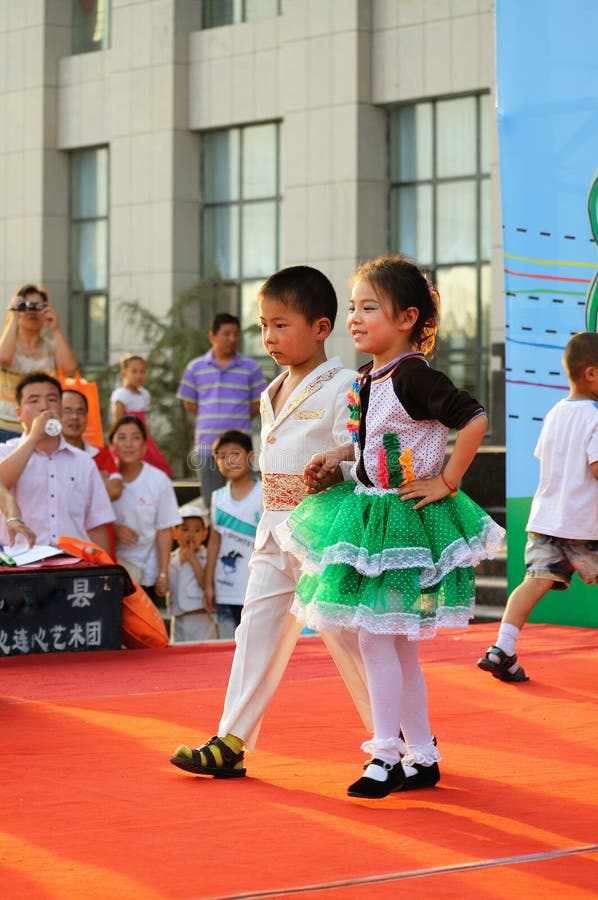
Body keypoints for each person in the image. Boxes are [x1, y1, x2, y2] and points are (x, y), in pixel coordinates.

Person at [278, 254, 505, 799]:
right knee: (393, 643)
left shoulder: (414, 374)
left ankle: (385, 755)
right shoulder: (368, 376)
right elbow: (369, 440)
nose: (354, 317)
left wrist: (448, 480)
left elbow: (473, 417)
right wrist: (337, 457)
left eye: (368, 307)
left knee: (377, 639)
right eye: (352, 307)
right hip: (368, 508)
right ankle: (421, 753)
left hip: (400, 520)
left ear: (406, 318)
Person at [170, 265, 373, 779]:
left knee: (346, 640)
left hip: (325, 532)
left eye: (281, 324)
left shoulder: (347, 384)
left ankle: (400, 737)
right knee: (253, 632)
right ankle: (231, 741)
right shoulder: (272, 389)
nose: (269, 337)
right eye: (264, 325)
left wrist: (339, 466)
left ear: (322, 327)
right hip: (273, 527)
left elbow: (366, 454)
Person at [478, 331, 598, 683]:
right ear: (591, 374)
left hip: (546, 521)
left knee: (534, 582)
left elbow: (547, 459)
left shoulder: (556, 413)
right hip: (585, 525)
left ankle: (501, 647)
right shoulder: (595, 416)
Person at [0, 373, 114, 555]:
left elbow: (96, 523)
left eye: (52, 400)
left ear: (60, 409)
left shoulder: (84, 462)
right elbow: (2, 482)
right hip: (22, 564)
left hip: (74, 563)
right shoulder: (5, 452)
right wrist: (34, 437)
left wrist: (107, 573)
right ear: (19, 413)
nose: (44, 407)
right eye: (34, 400)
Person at [177, 313, 268, 506]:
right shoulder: (195, 368)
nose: (232, 339)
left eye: (236, 334)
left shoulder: (250, 368)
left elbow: (258, 403)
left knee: (248, 500)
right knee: (213, 504)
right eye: (226, 334)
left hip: (240, 448)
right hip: (206, 446)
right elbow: (189, 404)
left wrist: (235, 421)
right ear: (212, 336)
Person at [110, 415, 181, 606]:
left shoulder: (159, 480)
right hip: (111, 571)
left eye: (135, 437)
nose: (128, 444)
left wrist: (163, 573)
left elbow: (164, 530)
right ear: (112, 444)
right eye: (121, 437)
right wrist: (115, 530)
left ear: (144, 445)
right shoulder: (103, 478)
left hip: (146, 573)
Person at [205, 430, 263, 639]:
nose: (228, 461)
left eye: (234, 454)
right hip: (225, 589)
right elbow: (214, 542)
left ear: (250, 457)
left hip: (257, 588)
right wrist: (208, 583)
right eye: (221, 456)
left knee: (255, 645)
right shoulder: (217, 498)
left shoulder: (264, 493)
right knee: (227, 649)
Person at [0, 285, 77, 441]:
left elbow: (69, 368)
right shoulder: (7, 344)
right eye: (26, 306)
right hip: (4, 426)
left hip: (42, 427)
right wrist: (14, 316)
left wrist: (55, 328)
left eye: (39, 306)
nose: (32, 311)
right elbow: (3, 358)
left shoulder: (51, 347)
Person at [61, 388, 123, 559]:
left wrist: (71, 491)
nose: (74, 417)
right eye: (67, 410)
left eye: (80, 411)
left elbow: (116, 490)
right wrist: (96, 487)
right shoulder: (47, 456)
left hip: (99, 550)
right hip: (64, 551)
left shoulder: (101, 455)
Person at [110, 354, 172, 477]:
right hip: (128, 436)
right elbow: (118, 421)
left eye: (142, 371)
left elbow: (144, 419)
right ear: (124, 373)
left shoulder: (144, 394)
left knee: (159, 467)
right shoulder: (120, 395)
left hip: (143, 436)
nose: (139, 375)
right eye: (134, 371)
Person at [169, 501, 217, 644]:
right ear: (174, 532)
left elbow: (207, 584)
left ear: (205, 534)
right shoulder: (171, 558)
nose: (191, 535)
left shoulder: (207, 556)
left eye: (197, 530)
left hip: (200, 620)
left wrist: (194, 560)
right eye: (185, 529)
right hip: (177, 620)